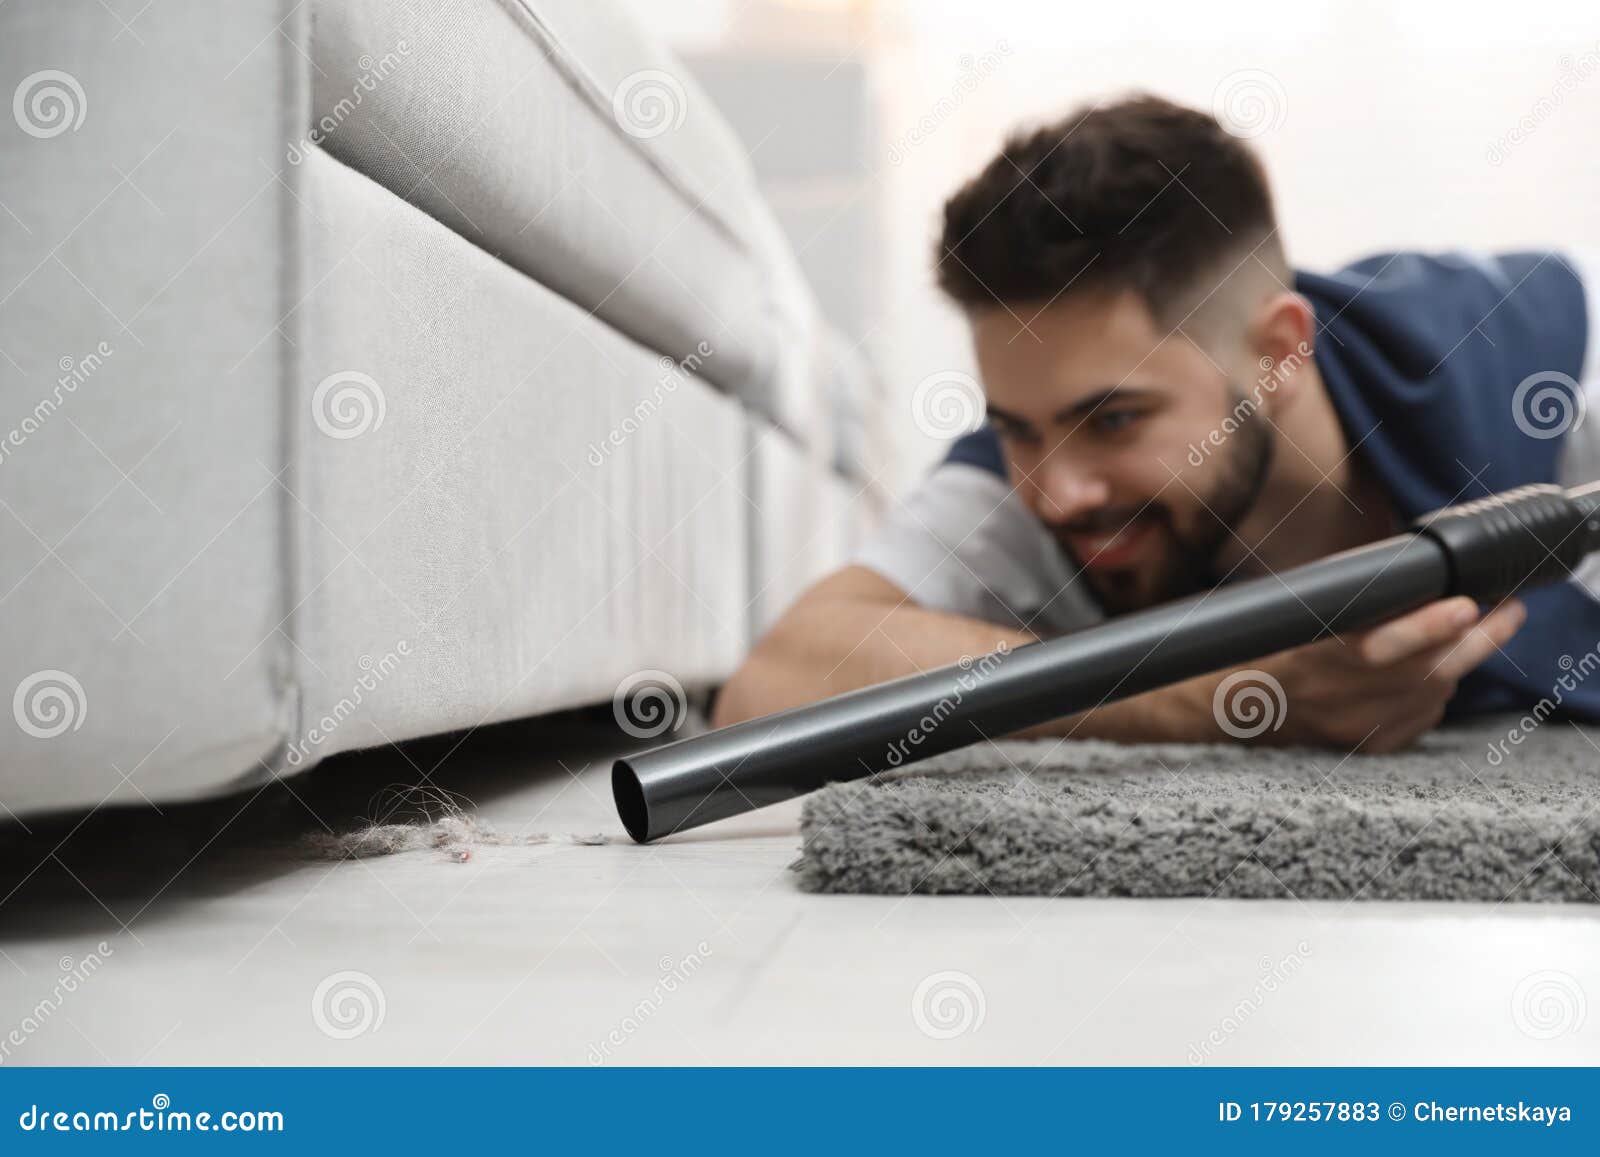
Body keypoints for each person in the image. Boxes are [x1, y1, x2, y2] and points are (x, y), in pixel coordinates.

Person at [714, 94, 1599, 752]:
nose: (1056, 491)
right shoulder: (1015, 490)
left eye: (1115, 420)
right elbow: (773, 682)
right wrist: (1229, 696)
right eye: (1018, 426)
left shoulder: (1549, 384)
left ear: (1280, 352)